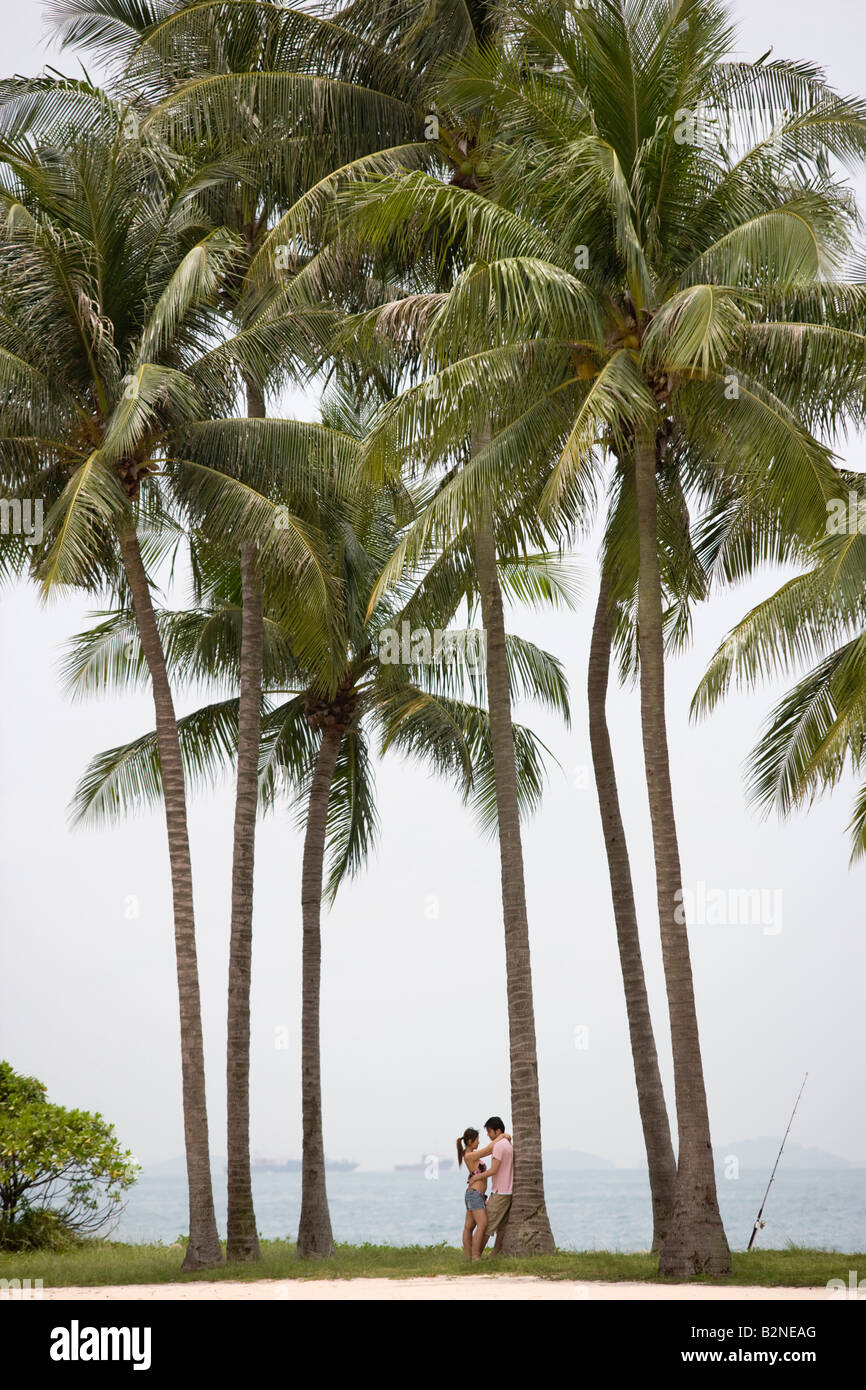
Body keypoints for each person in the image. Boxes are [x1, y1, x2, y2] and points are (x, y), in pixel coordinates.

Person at [475, 1116, 513, 1256]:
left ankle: (476, 1255)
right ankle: (494, 1254)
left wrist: (476, 1177)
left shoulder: (498, 1146)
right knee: (502, 1227)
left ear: (497, 1131)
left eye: (489, 1132)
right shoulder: (508, 1144)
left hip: (500, 1192)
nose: (488, 1135)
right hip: (508, 1192)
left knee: (487, 1225)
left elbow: (494, 1170)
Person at [456, 1127, 488, 1261]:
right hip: (474, 1194)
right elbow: (489, 1150)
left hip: (474, 1194)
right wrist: (502, 1137)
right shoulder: (469, 1155)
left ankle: (469, 1258)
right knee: (483, 1224)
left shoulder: (470, 1155)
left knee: (469, 1227)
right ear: (470, 1141)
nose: (479, 1143)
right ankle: (475, 1257)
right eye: (477, 1140)